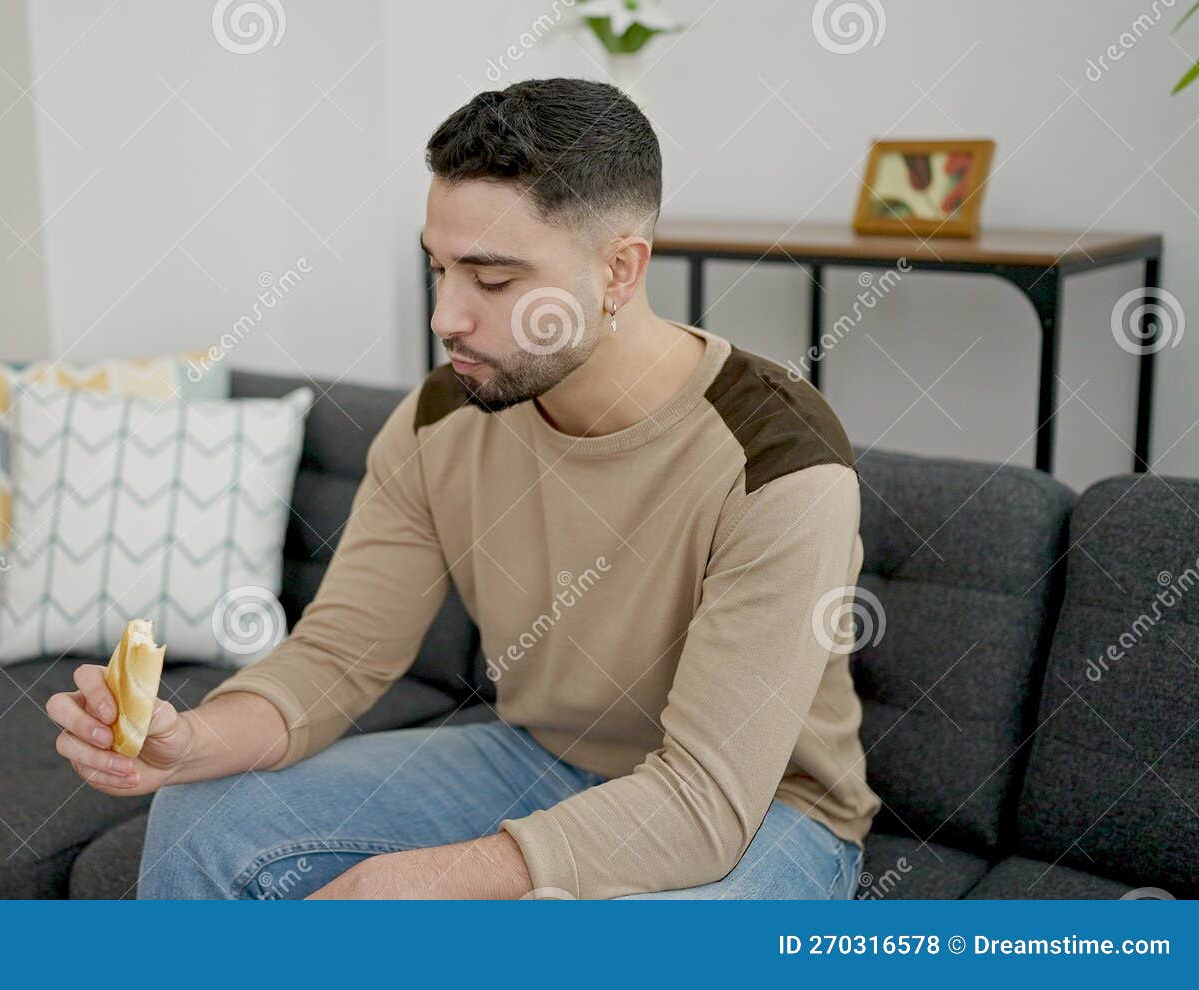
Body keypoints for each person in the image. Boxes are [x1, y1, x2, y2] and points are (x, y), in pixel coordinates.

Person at [46, 77, 880, 900]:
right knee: (203, 819)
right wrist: (190, 741)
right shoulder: (440, 420)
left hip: (763, 810)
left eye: (492, 280)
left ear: (619, 272)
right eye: (439, 268)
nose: (446, 315)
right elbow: (341, 652)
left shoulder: (778, 460)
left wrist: (415, 881)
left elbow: (703, 805)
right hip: (541, 758)